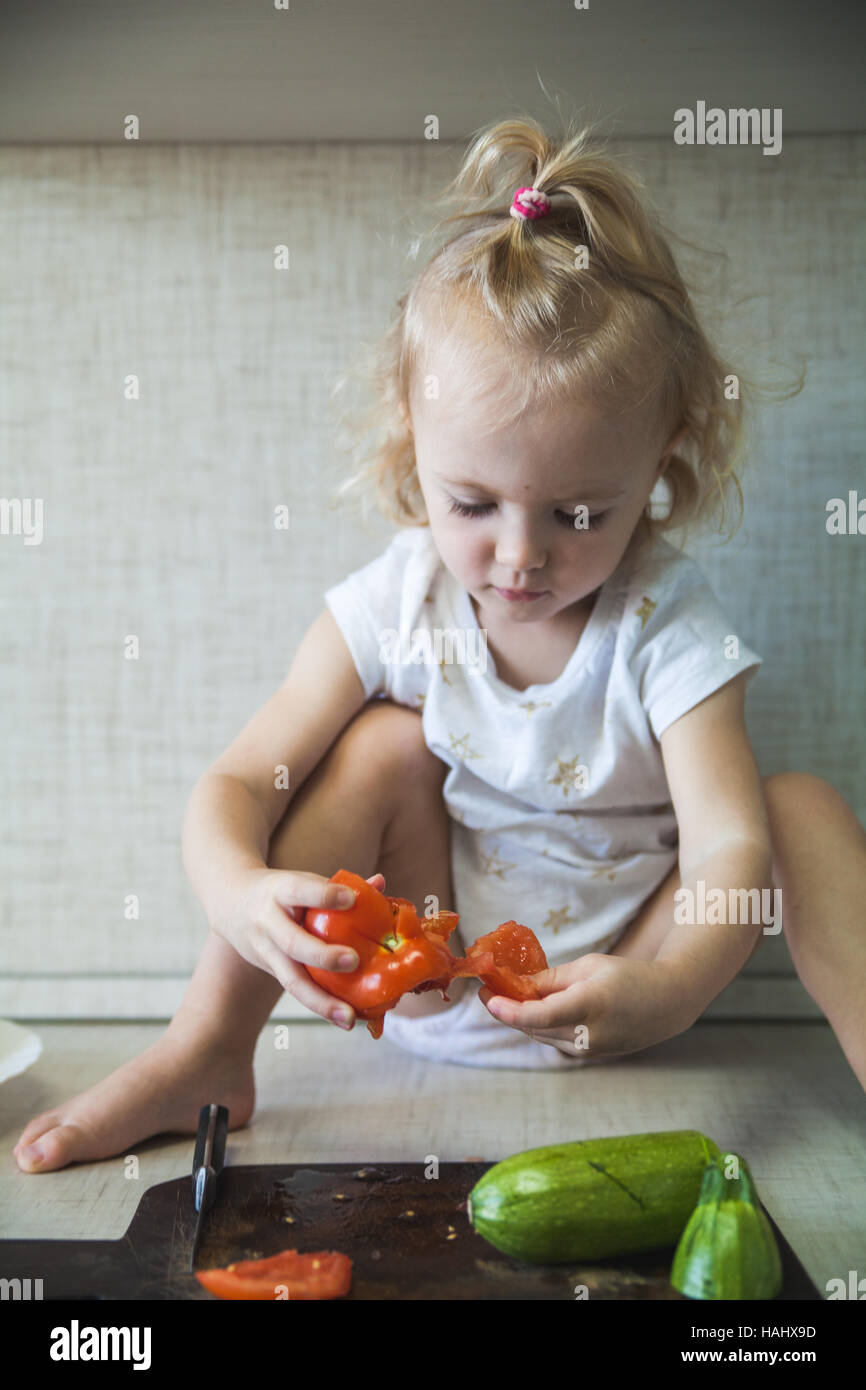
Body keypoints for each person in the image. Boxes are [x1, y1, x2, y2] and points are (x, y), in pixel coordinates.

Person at [15, 118, 866, 1174]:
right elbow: (238, 780)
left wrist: (674, 985)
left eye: (579, 515)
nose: (520, 556)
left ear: (661, 460)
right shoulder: (399, 600)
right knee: (376, 740)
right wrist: (239, 896)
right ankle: (206, 1047)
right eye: (471, 502)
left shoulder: (666, 621)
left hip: (631, 983)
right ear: (412, 447)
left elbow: (729, 848)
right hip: (431, 975)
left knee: (798, 809)